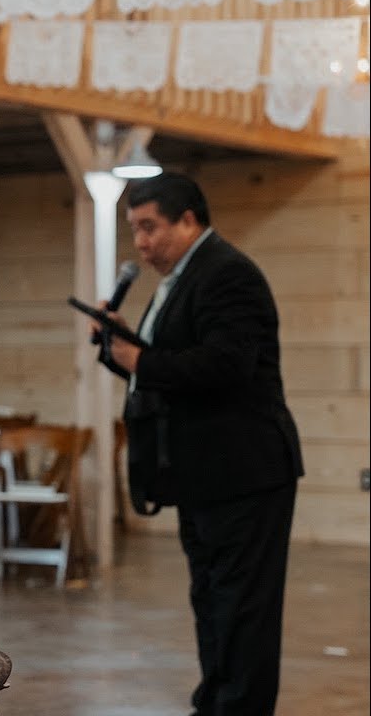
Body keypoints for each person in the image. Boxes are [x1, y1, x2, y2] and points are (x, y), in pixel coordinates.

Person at [93, 172, 303, 716]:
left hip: (244, 472)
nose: (140, 243)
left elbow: (227, 365)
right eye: (134, 231)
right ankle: (216, 704)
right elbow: (176, 369)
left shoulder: (228, 274)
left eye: (149, 228)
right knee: (213, 602)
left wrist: (141, 359)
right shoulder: (182, 278)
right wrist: (122, 345)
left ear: (188, 220)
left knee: (242, 608)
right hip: (205, 474)